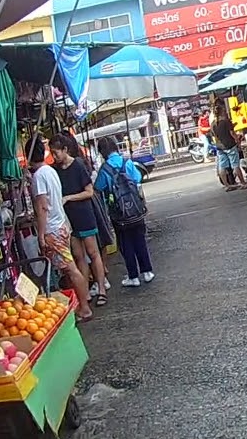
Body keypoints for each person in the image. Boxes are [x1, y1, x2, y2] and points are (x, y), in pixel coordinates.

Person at [26, 136, 94, 322]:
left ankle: (85, 307)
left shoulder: (39, 176)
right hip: (61, 225)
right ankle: (79, 305)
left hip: (52, 229)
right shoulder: (50, 171)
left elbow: (42, 207)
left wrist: (40, 235)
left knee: (71, 269)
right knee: (67, 269)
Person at [48, 134, 109, 306]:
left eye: (56, 152)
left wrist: (68, 198)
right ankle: (86, 292)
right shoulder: (55, 170)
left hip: (84, 215)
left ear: (65, 150)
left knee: (93, 252)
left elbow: (89, 191)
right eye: (52, 153)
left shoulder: (79, 165)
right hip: (68, 219)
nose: (54, 156)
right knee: (77, 256)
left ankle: (101, 289)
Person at [94, 136, 154, 288]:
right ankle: (147, 271)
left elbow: (98, 187)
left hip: (118, 213)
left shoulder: (105, 169)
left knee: (125, 243)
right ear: (115, 147)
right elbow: (137, 178)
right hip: (135, 208)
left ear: (102, 152)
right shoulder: (127, 162)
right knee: (140, 239)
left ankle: (133, 276)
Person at [211, 100, 246, 191]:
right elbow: (232, 133)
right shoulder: (226, 122)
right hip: (230, 145)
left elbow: (214, 136)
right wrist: (238, 141)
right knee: (235, 164)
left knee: (222, 166)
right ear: (222, 111)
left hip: (220, 147)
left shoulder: (213, 124)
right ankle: (243, 182)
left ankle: (227, 185)